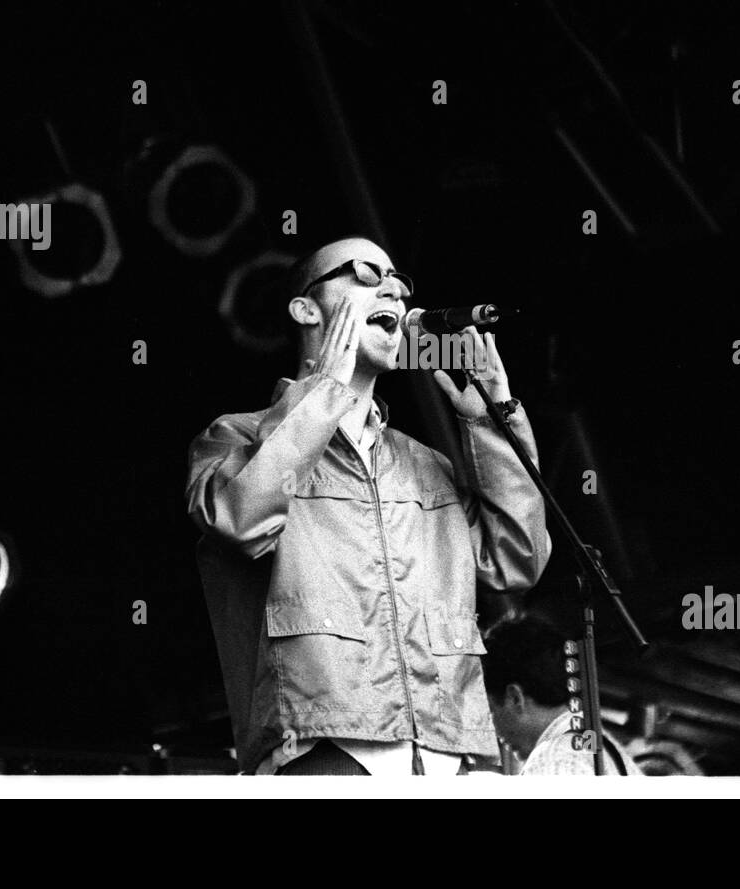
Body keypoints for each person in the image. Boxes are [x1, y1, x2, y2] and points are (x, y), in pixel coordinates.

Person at [186, 236, 551, 775]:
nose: (394, 289)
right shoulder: (235, 439)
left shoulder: (427, 465)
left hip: (450, 752)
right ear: (306, 308)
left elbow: (515, 559)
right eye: (363, 273)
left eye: (399, 281)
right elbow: (240, 521)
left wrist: (493, 420)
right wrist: (324, 391)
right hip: (325, 749)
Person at [482, 613, 641, 775]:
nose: (493, 730)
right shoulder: (607, 750)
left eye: (490, 711)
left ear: (515, 698)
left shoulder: (551, 761)